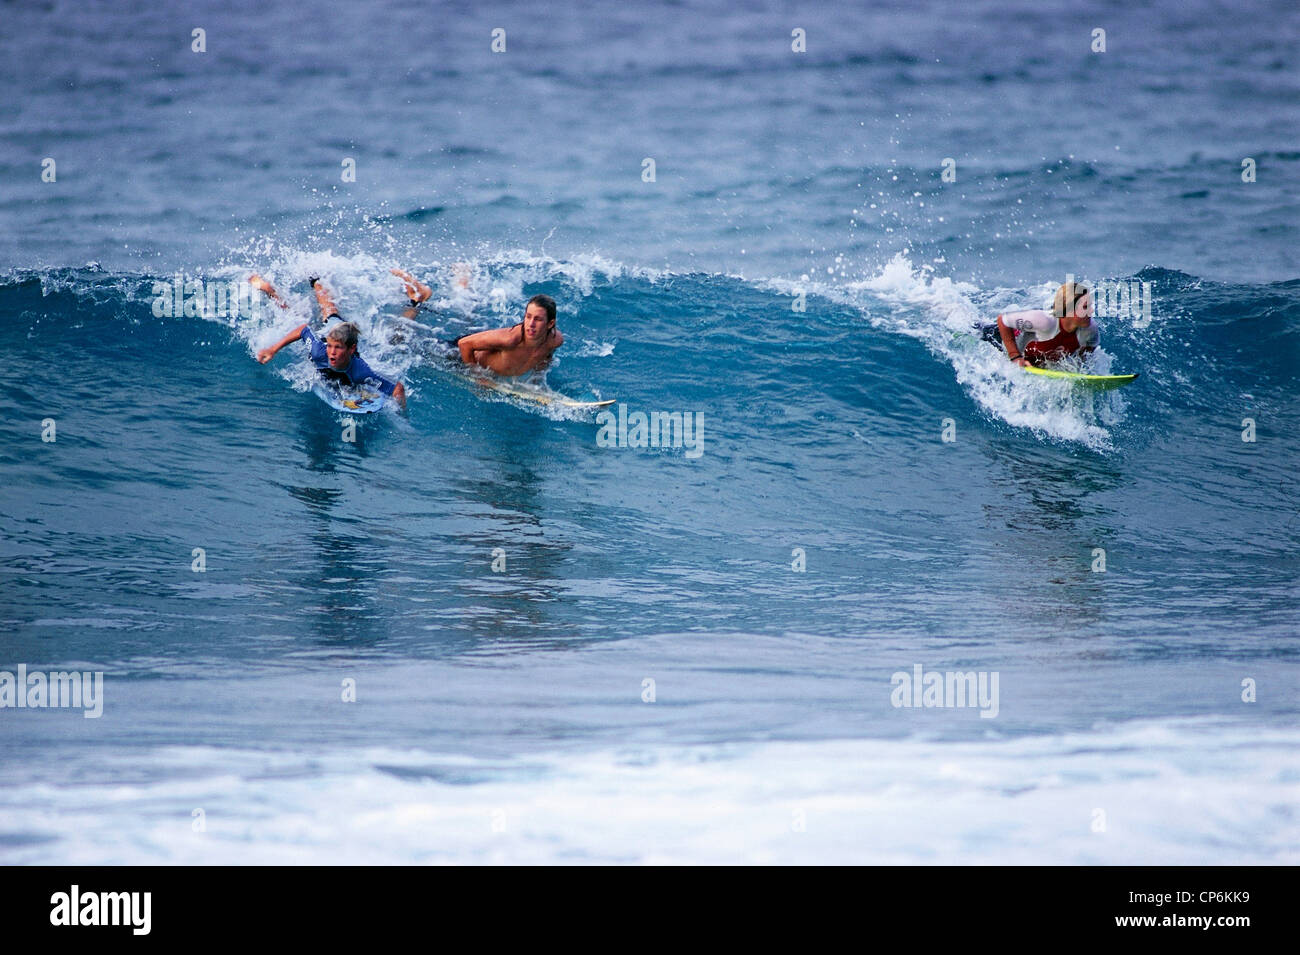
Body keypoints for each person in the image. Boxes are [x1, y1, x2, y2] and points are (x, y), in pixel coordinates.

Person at [251, 274, 408, 408]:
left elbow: (397, 389)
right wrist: (273, 349)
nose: (332, 353)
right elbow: (303, 329)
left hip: (338, 332)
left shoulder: (360, 371)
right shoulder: (320, 352)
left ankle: (414, 302)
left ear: (351, 350)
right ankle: (304, 283)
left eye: (338, 348)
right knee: (302, 314)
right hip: (330, 332)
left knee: (332, 316)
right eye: (331, 347)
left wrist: (400, 415)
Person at [980, 281, 1098, 367]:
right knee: (974, 330)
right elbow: (1003, 320)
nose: (1091, 311)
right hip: (995, 339)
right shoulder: (1045, 321)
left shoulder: (1090, 330)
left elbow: (1083, 358)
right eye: (1085, 307)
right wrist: (1015, 356)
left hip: (1034, 358)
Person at [451, 294, 564, 376]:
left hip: (489, 362)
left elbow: (546, 357)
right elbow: (464, 344)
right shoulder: (510, 340)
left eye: (538, 319)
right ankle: (462, 288)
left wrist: (536, 381)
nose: (531, 324)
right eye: (528, 317)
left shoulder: (554, 341)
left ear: (550, 323)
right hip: (459, 357)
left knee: (468, 324)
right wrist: (479, 377)